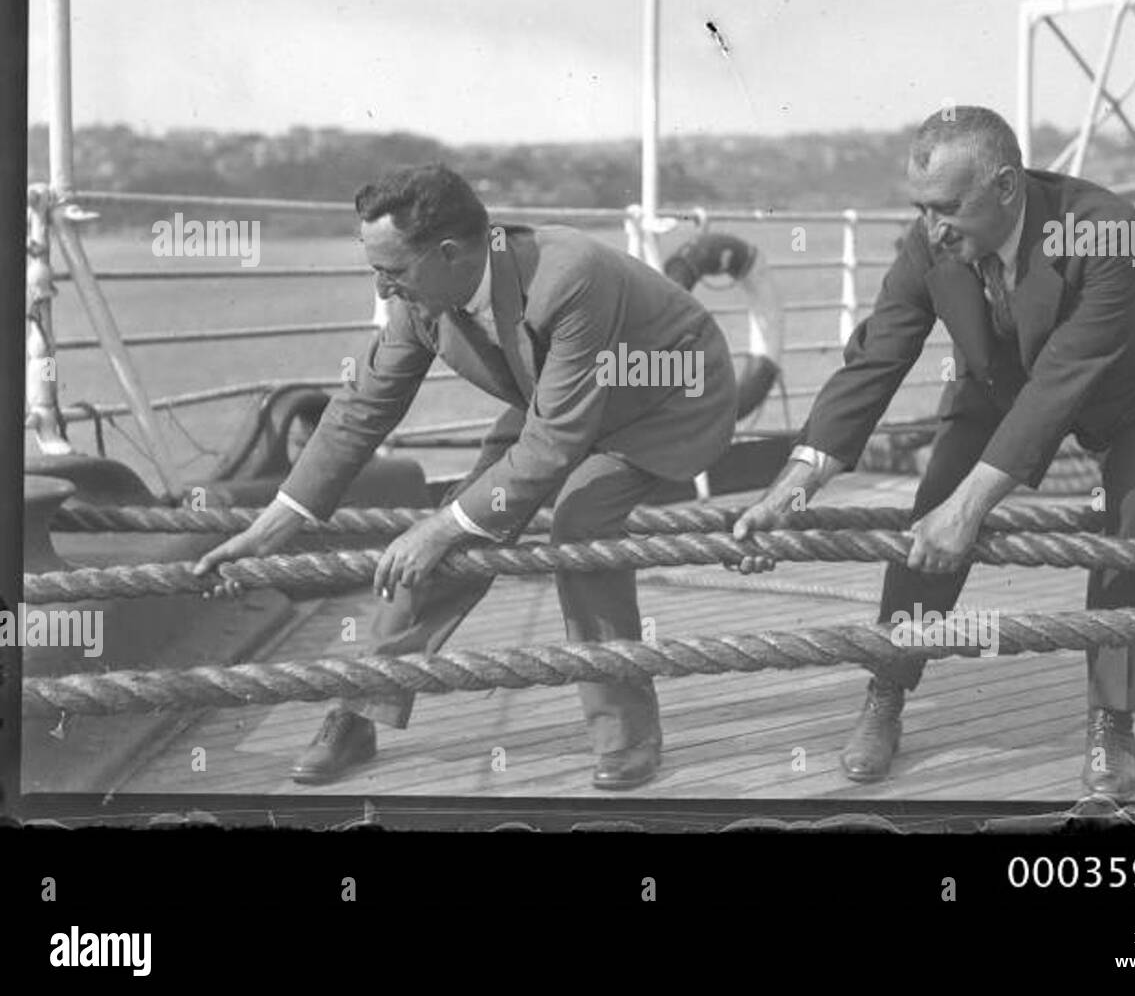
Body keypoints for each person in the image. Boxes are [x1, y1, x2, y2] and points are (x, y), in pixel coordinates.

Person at [195, 164, 738, 789]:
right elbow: (361, 411)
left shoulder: (570, 275)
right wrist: (265, 533)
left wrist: (441, 530)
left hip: (667, 397)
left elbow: (555, 441)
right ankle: (364, 703)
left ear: (449, 253)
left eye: (392, 271)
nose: (382, 288)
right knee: (458, 518)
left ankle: (627, 734)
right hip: (563, 395)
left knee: (579, 523)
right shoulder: (422, 295)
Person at [732, 106, 1135, 800]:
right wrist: (790, 491)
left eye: (947, 208)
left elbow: (1062, 384)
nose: (932, 227)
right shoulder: (930, 243)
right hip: (999, 377)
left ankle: (1111, 720)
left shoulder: (1106, 228)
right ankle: (887, 686)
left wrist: (970, 510)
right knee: (931, 504)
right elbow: (872, 367)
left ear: (1007, 187)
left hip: (1133, 382)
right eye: (921, 208)